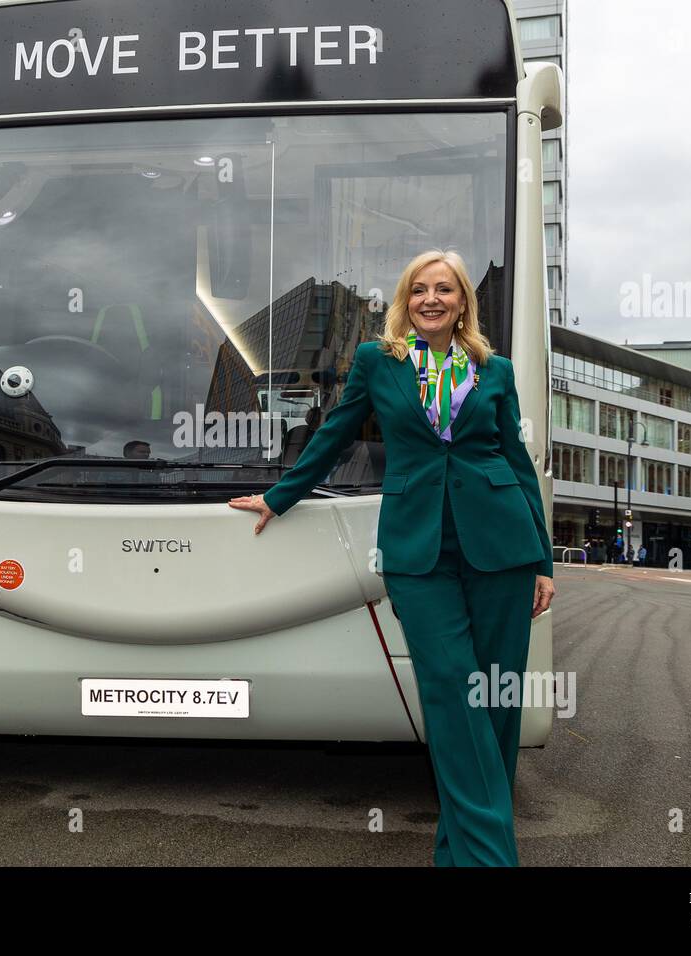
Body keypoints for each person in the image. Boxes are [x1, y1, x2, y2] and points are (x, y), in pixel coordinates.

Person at [229, 249, 555, 867]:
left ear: (463, 303)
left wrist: (542, 560)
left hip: (502, 546)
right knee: (452, 692)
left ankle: (458, 853)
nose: (432, 299)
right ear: (405, 300)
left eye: (446, 290)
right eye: (420, 290)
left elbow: (515, 460)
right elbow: (336, 432)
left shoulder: (495, 370)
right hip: (416, 551)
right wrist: (281, 496)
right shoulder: (380, 362)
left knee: (496, 701)